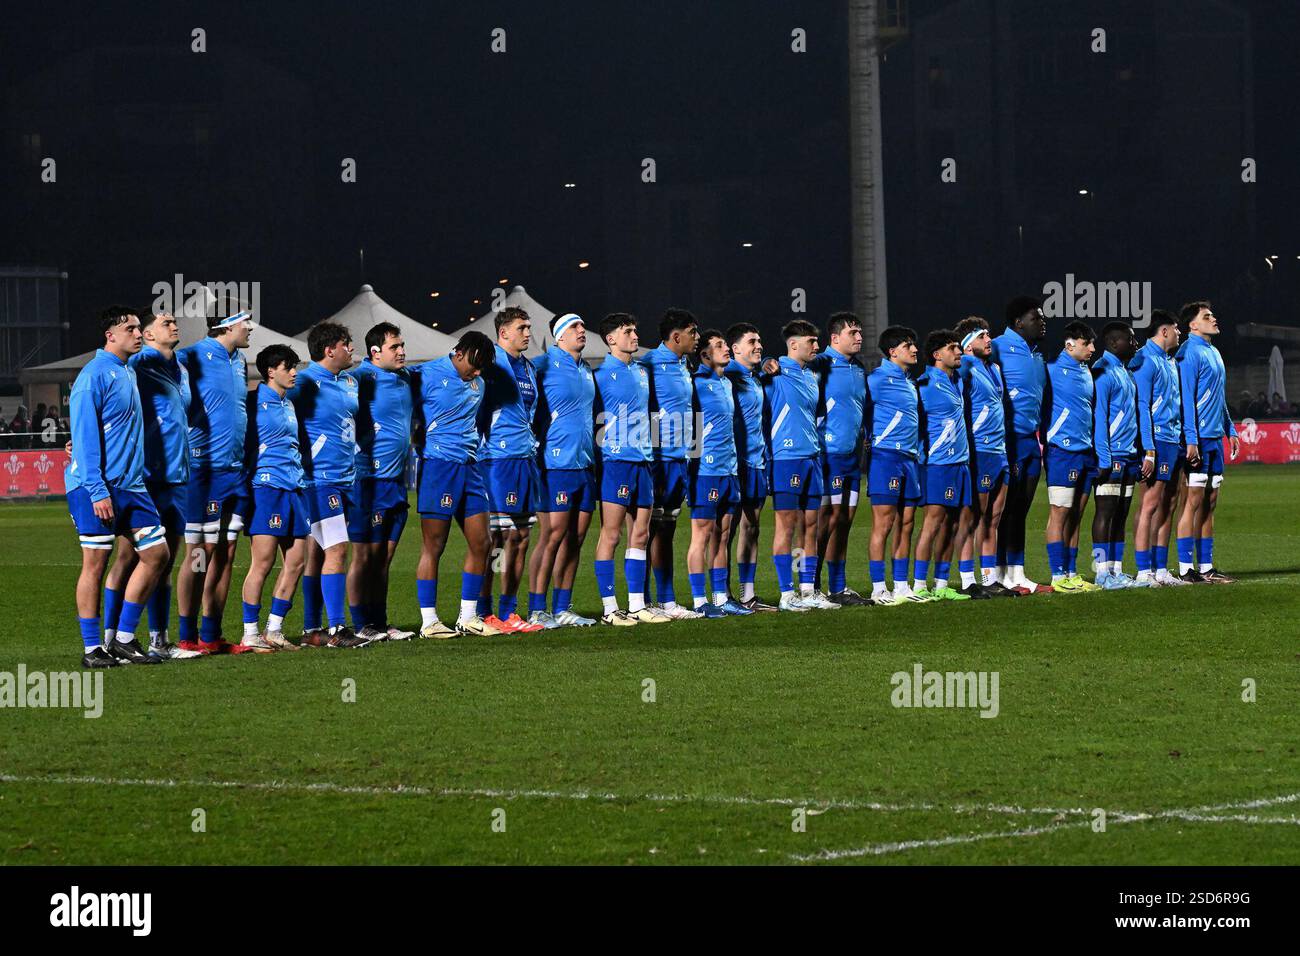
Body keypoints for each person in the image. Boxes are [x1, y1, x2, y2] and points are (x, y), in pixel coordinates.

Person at [66, 307, 170, 667]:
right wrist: (96, 489)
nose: (138, 333)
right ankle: (92, 648)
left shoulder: (128, 370)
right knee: (96, 563)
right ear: (110, 335)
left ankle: (124, 639)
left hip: (132, 484)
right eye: (130, 328)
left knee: (157, 555)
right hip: (96, 485)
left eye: (140, 327)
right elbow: (83, 435)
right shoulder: (93, 375)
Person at [101, 311, 202, 659]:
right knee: (128, 559)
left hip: (178, 478)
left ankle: (160, 641)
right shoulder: (140, 363)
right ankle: (111, 639)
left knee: (165, 562)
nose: (174, 326)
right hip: (147, 477)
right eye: (165, 323)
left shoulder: (181, 369)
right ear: (146, 334)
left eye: (174, 322)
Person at [175, 304, 253, 653]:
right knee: (199, 555)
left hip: (235, 472)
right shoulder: (190, 357)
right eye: (245, 323)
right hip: (203, 470)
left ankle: (211, 635)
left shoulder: (239, 360)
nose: (250, 328)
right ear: (226, 326)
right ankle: (185, 635)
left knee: (225, 553)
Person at [412, 331, 500, 636]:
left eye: (481, 369)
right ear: (459, 353)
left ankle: (468, 616)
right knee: (434, 545)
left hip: (471, 468)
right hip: (439, 467)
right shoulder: (427, 374)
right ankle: (429, 621)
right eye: (473, 365)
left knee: (482, 543)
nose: (476, 372)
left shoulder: (480, 383)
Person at [292, 321, 367, 648]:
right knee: (337, 549)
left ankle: (312, 629)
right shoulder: (305, 381)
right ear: (329, 349)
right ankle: (337, 629)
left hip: (346, 478)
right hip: (320, 480)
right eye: (347, 343)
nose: (351, 349)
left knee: (319, 554)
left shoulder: (349, 381)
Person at [592, 313, 669, 625]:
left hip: (643, 461)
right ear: (611, 339)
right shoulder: (599, 374)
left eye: (635, 330)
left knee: (641, 532)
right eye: (628, 332)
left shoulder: (641, 372)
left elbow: (650, 416)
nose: (635, 336)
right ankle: (610, 609)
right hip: (616, 463)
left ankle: (637, 606)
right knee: (611, 534)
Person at [475, 306, 544, 634]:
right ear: (503, 333)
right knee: (497, 538)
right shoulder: (491, 365)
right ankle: (485, 612)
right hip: (497, 461)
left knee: (522, 535)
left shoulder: (528, 367)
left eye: (529, 327)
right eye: (522, 327)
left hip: (525, 460)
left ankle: (510, 612)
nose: (528, 333)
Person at [528, 312, 598, 627]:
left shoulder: (585, 369)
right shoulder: (542, 365)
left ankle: (563, 608)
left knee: (576, 537)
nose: (581, 330)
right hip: (555, 464)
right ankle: (537, 609)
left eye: (583, 325)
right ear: (559, 336)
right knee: (552, 535)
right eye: (574, 327)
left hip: (585, 463)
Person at [347, 321, 416, 641]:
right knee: (365, 557)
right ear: (375, 353)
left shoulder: (404, 377)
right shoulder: (360, 377)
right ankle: (360, 623)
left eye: (402, 345)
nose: (402, 352)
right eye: (394, 347)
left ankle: (379, 621)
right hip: (369, 480)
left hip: (396, 482)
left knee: (385, 558)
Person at [763, 320, 838, 611]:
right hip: (786, 459)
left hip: (812, 458)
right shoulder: (775, 372)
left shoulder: (810, 376)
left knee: (811, 524)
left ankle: (808, 590)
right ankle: (786, 593)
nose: (817, 347)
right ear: (793, 345)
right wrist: (766, 363)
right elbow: (749, 370)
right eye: (811, 341)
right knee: (786, 526)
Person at [239, 345, 309, 652]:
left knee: (296, 561)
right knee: (263, 563)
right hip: (266, 489)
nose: (294, 372)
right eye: (288, 367)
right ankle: (250, 633)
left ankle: (275, 629)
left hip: (294, 488)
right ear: (271, 371)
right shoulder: (253, 401)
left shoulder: (289, 404)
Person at [640, 308, 703, 619]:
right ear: (676, 336)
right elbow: (646, 410)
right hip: (659, 461)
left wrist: (692, 454)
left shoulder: (684, 364)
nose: (697, 337)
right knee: (645, 531)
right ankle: (643, 602)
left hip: (681, 459)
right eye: (693, 332)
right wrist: (653, 454)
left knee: (666, 531)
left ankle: (666, 602)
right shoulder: (649, 363)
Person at [686, 330, 752, 616]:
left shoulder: (726, 382)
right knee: (700, 536)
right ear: (704, 355)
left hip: (729, 469)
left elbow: (752, 363)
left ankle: (720, 597)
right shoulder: (695, 384)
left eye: (726, 345)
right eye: (720, 346)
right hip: (706, 471)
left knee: (723, 535)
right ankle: (700, 601)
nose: (726, 349)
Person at [1174, 301, 1239, 584]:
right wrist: (1191, 439)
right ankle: (1186, 568)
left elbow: (1218, 397)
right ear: (1193, 325)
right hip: (1198, 439)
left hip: (1214, 439)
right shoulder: (1188, 353)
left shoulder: (1213, 352)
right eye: (1207, 316)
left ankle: (1206, 567)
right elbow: (1186, 399)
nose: (1214, 319)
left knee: (1210, 502)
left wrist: (1230, 428)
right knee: (1193, 502)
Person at [992, 296, 1052, 593]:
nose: (1042, 323)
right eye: (1036, 318)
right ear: (1018, 323)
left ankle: (1017, 574)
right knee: (1004, 511)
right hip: (1008, 441)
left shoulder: (1037, 355)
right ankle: (996, 574)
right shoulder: (998, 347)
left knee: (1021, 511)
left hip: (1031, 443)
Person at [812, 312, 870, 606]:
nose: (859, 337)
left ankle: (838, 586)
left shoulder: (858, 368)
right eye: (853, 333)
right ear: (834, 338)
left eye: (860, 332)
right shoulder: (820, 364)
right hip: (827, 454)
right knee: (826, 520)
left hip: (850, 457)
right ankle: (811, 584)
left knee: (845, 520)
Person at [954, 316, 1014, 598]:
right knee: (971, 519)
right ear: (967, 346)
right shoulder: (965, 367)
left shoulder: (994, 369)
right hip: (979, 449)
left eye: (988, 335)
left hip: (999, 451)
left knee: (993, 518)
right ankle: (968, 581)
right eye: (982, 336)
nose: (989, 340)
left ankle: (989, 579)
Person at [912, 329, 973, 602]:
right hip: (938, 464)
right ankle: (918, 585)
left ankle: (941, 583)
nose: (958, 352)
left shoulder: (956, 379)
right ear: (937, 355)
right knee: (933, 524)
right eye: (952, 348)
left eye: (959, 347)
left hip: (960, 463)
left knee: (952, 524)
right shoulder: (924, 384)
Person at [865, 325, 923, 604]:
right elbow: (860, 408)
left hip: (909, 459)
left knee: (907, 523)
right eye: (907, 345)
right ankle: (878, 588)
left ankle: (901, 585)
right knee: (884, 524)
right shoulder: (877, 379)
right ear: (892, 351)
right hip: (886, 457)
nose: (914, 349)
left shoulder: (909, 381)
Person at [1130, 310, 1188, 587]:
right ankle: (1144, 571)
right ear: (1164, 331)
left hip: (1173, 439)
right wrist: (1148, 448)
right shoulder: (1145, 359)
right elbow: (1141, 405)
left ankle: (1161, 568)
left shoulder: (1170, 361)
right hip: (1156, 440)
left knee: (1169, 503)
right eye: (1176, 329)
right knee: (1150, 504)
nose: (1180, 333)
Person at [722, 323, 776, 612]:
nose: (759, 346)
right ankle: (722, 594)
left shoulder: (756, 378)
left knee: (752, 527)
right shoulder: (727, 375)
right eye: (752, 341)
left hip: (757, 463)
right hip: (733, 464)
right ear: (736, 349)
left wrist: (767, 364)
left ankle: (748, 595)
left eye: (760, 341)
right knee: (725, 532)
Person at [1041, 321, 1097, 591]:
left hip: (1086, 452)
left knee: (1076, 514)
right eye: (1087, 344)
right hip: (1062, 452)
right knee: (1060, 512)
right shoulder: (1050, 370)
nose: (1092, 349)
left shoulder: (1087, 371)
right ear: (1070, 344)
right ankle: (1057, 575)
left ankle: (1072, 573)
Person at [1090, 322, 1145, 589]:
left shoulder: (1125, 371)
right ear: (1114, 343)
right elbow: (1099, 416)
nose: (1135, 344)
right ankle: (1101, 572)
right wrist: (1103, 456)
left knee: (1121, 514)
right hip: (1112, 455)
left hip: (1129, 454)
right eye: (1130, 340)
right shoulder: (1102, 370)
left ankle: (1116, 570)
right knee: (1105, 512)